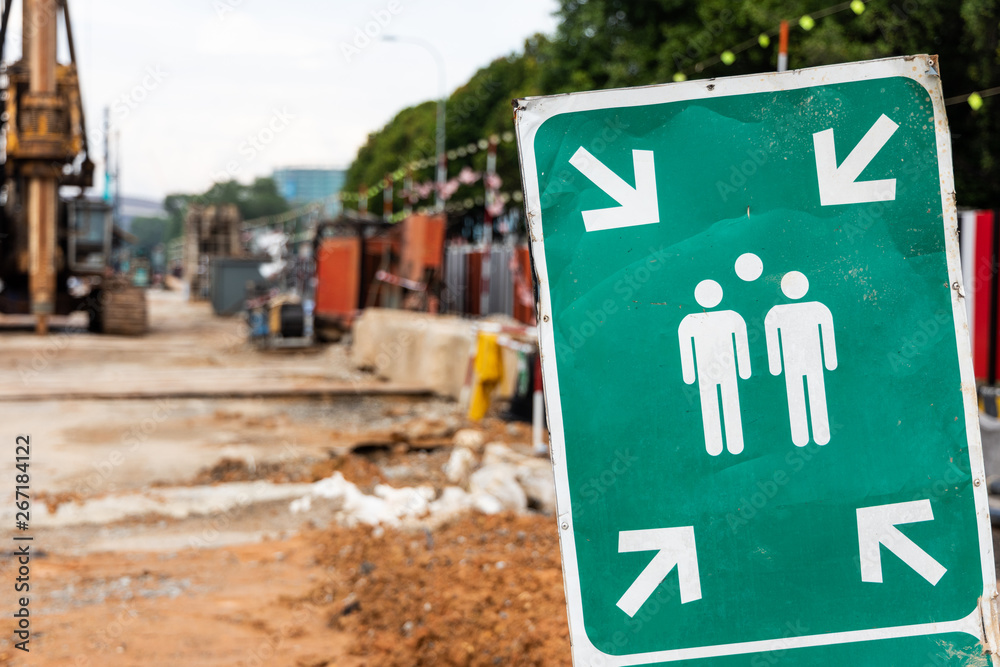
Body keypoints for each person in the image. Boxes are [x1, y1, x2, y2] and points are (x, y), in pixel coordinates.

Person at [678, 279, 752, 455]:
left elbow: (741, 343)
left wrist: (744, 368)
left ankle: (731, 444)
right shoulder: (691, 322)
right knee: (713, 405)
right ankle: (718, 446)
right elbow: (686, 347)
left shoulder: (731, 317)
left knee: (724, 403)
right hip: (710, 372)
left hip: (723, 372)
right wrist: (744, 369)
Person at [764, 271, 837, 446]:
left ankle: (816, 435)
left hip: (808, 363)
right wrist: (830, 361)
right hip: (795, 364)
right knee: (800, 396)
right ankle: (803, 436)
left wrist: (830, 360)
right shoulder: (815, 308)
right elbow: (772, 337)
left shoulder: (816, 309)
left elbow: (827, 335)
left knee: (810, 394)